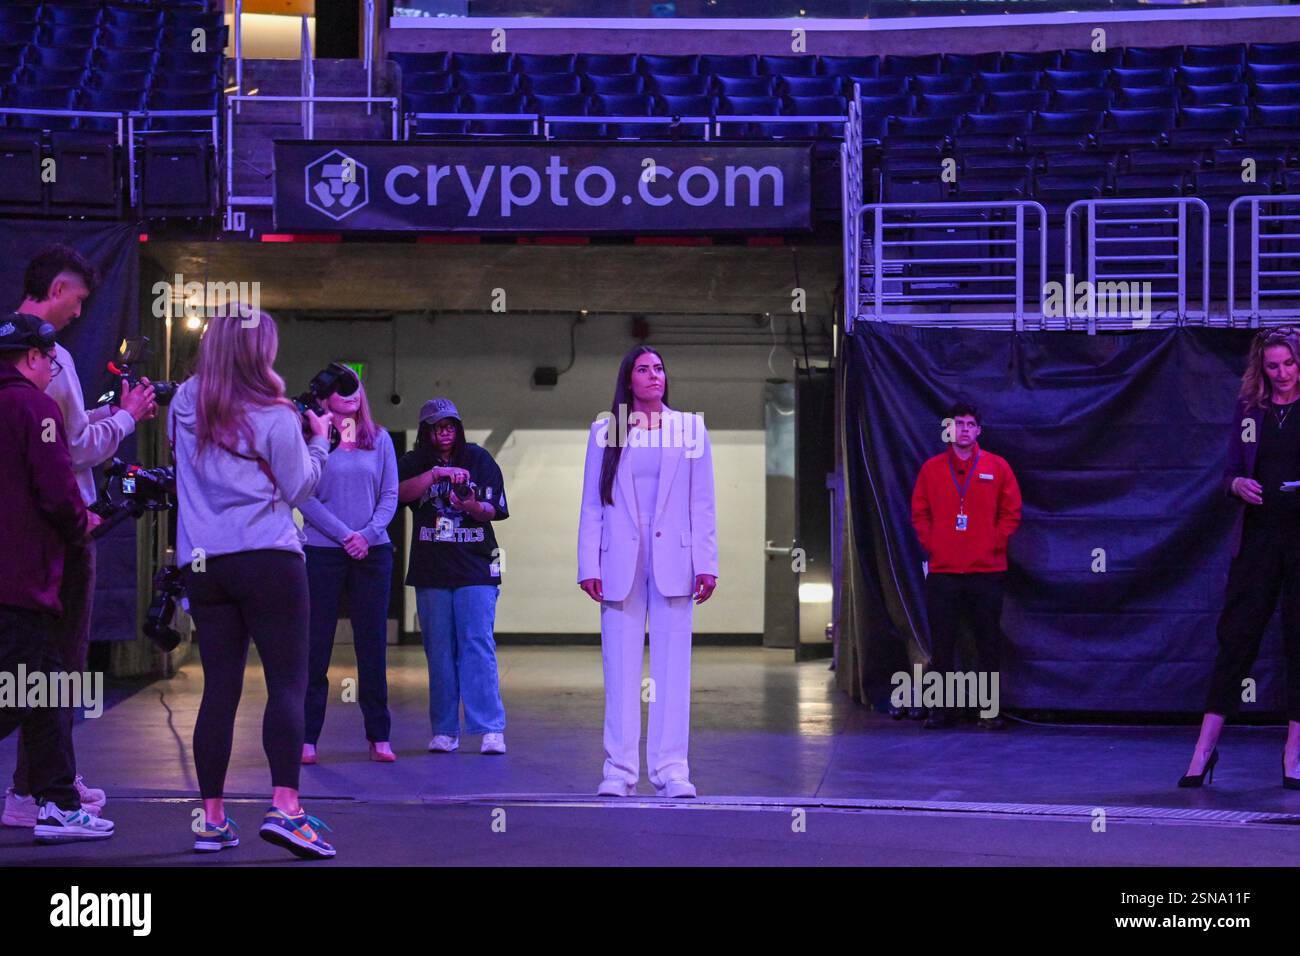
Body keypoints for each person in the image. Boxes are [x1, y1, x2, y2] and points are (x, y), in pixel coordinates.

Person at [168, 305, 337, 858]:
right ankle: (286, 809)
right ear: (257, 352)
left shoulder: (184, 402)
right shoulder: (274, 414)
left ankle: (211, 820)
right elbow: (299, 490)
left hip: (206, 565)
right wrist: (320, 441)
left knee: (219, 690)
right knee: (286, 684)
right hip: (269, 561)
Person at [2, 246, 156, 830]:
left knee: (41, 667)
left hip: (26, 540)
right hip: (56, 537)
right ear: (59, 288)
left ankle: (42, 784)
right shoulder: (47, 364)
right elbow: (67, 452)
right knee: (54, 668)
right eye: (79, 299)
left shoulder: (21, 367)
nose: (80, 311)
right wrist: (126, 419)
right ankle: (48, 790)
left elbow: (60, 439)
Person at [577, 346, 718, 798]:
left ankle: (672, 769)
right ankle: (619, 770)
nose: (654, 375)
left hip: (675, 560)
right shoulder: (605, 431)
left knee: (672, 670)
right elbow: (592, 503)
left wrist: (707, 562)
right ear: (629, 379)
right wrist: (588, 564)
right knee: (619, 668)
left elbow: (703, 501)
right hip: (620, 561)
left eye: (659, 368)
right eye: (644, 369)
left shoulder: (690, 428)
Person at [0, 313, 114, 842]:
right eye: (49, 359)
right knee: (25, 693)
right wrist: (82, 523)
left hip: (14, 579)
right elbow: (56, 484)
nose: (52, 368)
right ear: (30, 358)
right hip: (25, 579)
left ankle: (58, 803)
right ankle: (55, 802)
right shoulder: (35, 406)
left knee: (45, 690)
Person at [1182, 326, 1300, 789]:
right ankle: (1203, 751)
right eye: (1273, 366)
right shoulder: (1251, 410)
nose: (1283, 373)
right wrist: (1237, 485)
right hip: (1259, 535)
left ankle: (1293, 754)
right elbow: (1230, 470)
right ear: (1261, 368)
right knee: (1237, 638)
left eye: (1289, 364)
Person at [398, 398, 510, 756]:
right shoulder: (414, 463)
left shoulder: (478, 459)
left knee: (477, 643)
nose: (444, 433)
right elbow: (397, 495)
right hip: (432, 568)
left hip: (477, 564)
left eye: (449, 426)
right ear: (425, 431)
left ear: (458, 428)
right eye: (436, 427)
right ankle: (445, 730)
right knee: (439, 650)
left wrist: (471, 506)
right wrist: (436, 475)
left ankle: (490, 729)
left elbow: (495, 508)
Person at [297, 372, 399, 764]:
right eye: (342, 389)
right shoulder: (311, 441)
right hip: (324, 552)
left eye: (357, 386)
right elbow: (303, 496)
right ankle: (307, 737)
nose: (353, 394)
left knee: (371, 645)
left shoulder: (381, 439)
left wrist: (367, 535)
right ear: (324, 399)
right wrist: (344, 535)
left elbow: (389, 494)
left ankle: (379, 735)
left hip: (372, 553)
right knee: (315, 645)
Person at [910, 399, 1022, 730]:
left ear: (979, 431)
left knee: (987, 643)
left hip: (986, 572)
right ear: (949, 429)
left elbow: (1012, 510)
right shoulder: (931, 469)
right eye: (959, 424)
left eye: (971, 425)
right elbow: (919, 513)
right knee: (942, 644)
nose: (964, 430)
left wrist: (995, 542)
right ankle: (940, 710)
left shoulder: (997, 467)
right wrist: (935, 545)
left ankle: (988, 711)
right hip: (944, 573)